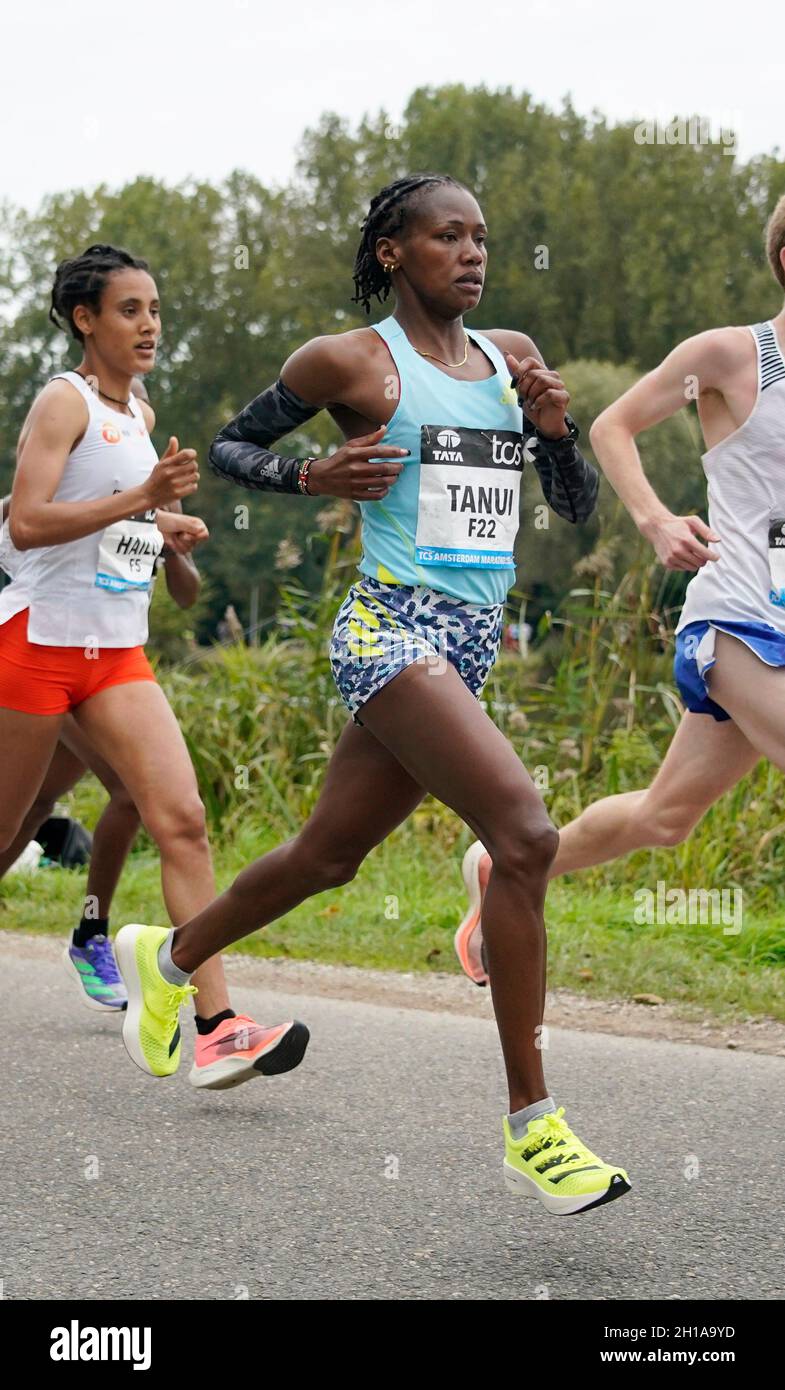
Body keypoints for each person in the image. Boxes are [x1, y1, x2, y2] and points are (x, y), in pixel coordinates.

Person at [116, 173, 631, 1215]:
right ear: (394, 251)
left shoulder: (510, 359)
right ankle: (533, 1125)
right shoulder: (351, 361)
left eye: (482, 237)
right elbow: (230, 446)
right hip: (389, 629)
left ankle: (166, 956)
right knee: (523, 836)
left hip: (468, 644)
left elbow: (571, 510)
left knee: (328, 854)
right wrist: (310, 477)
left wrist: (555, 431)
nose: (473, 253)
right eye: (449, 236)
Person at [454, 193, 785, 988]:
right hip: (735, 618)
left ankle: (501, 868)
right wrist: (654, 519)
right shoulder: (737, 357)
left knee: (665, 819)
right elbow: (610, 425)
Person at [0, 244, 308, 1089]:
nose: (148, 326)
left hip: (114, 651)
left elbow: (175, 583)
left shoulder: (141, 413)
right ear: (84, 318)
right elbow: (25, 523)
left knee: (182, 818)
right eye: (130, 310)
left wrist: (173, 540)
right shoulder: (61, 405)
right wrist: (142, 501)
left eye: (156, 310)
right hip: (35, 645)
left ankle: (215, 1024)